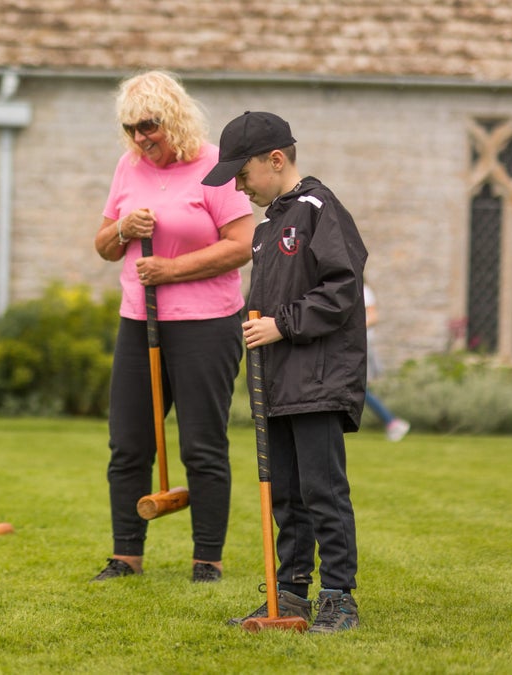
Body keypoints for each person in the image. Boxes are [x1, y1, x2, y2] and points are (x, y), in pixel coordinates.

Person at [203, 111, 367, 633]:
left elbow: (342, 288)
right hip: (276, 386)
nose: (238, 187)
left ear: (276, 159)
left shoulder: (320, 210)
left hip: (317, 383)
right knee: (287, 498)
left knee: (323, 491)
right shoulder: (267, 227)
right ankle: (291, 594)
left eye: (242, 174)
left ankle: (339, 597)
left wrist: (283, 325)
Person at [92, 71, 255, 584]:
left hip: (207, 323)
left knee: (202, 446)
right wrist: (123, 228)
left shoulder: (214, 167)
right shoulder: (128, 167)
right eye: (131, 128)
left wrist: (171, 269)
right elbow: (104, 245)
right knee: (128, 443)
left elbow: (242, 245)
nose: (141, 137)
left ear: (175, 118)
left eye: (149, 125)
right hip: (139, 321)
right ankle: (126, 556)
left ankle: (207, 560)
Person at [364, 284, 410, 441]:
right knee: (360, 388)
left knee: (360, 388)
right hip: (354, 346)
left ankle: (392, 422)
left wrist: (354, 329)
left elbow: (373, 317)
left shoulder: (363, 290)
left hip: (362, 345)